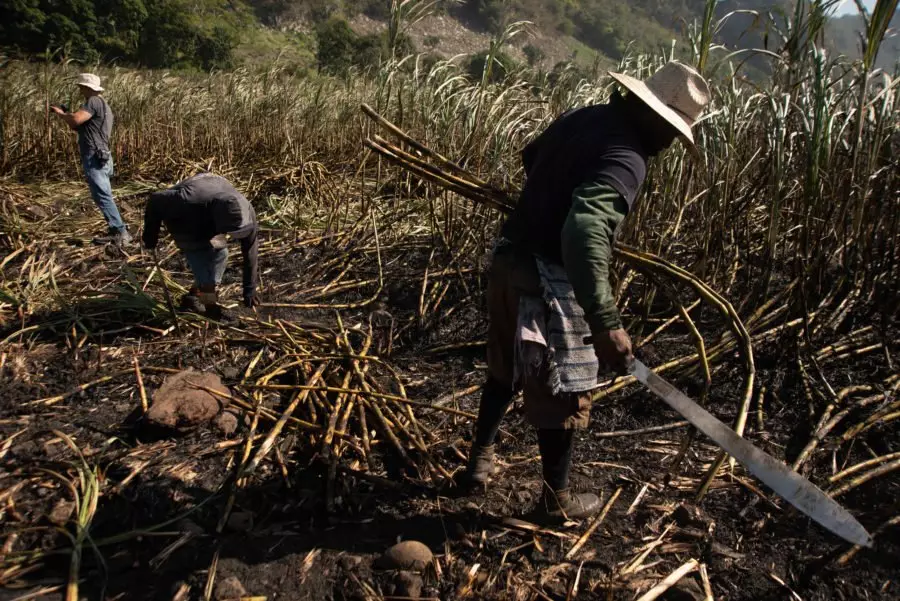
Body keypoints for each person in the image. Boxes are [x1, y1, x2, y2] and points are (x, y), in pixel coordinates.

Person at [457, 62, 711, 523]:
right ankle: (555, 503)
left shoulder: (583, 118)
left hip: (507, 260)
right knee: (566, 392)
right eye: (672, 130)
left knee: (503, 368)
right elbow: (585, 229)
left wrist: (552, 195)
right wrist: (605, 321)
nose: (671, 142)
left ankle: (478, 463)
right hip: (544, 282)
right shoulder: (628, 158)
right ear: (652, 115)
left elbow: (531, 156)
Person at [142, 173, 261, 320]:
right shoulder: (186, 200)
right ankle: (210, 307)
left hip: (210, 213)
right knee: (205, 270)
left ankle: (193, 296)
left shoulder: (248, 215)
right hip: (186, 219)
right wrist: (150, 236)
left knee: (220, 255)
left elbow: (250, 252)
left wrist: (250, 290)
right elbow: (155, 200)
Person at [49, 73, 131, 245]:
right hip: (101, 155)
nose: (80, 90)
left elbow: (76, 120)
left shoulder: (93, 101)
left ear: (87, 88)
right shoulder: (103, 105)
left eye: (81, 87)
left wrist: (60, 114)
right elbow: (77, 124)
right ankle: (116, 228)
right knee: (102, 195)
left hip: (95, 155)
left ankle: (121, 232)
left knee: (102, 196)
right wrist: (67, 115)